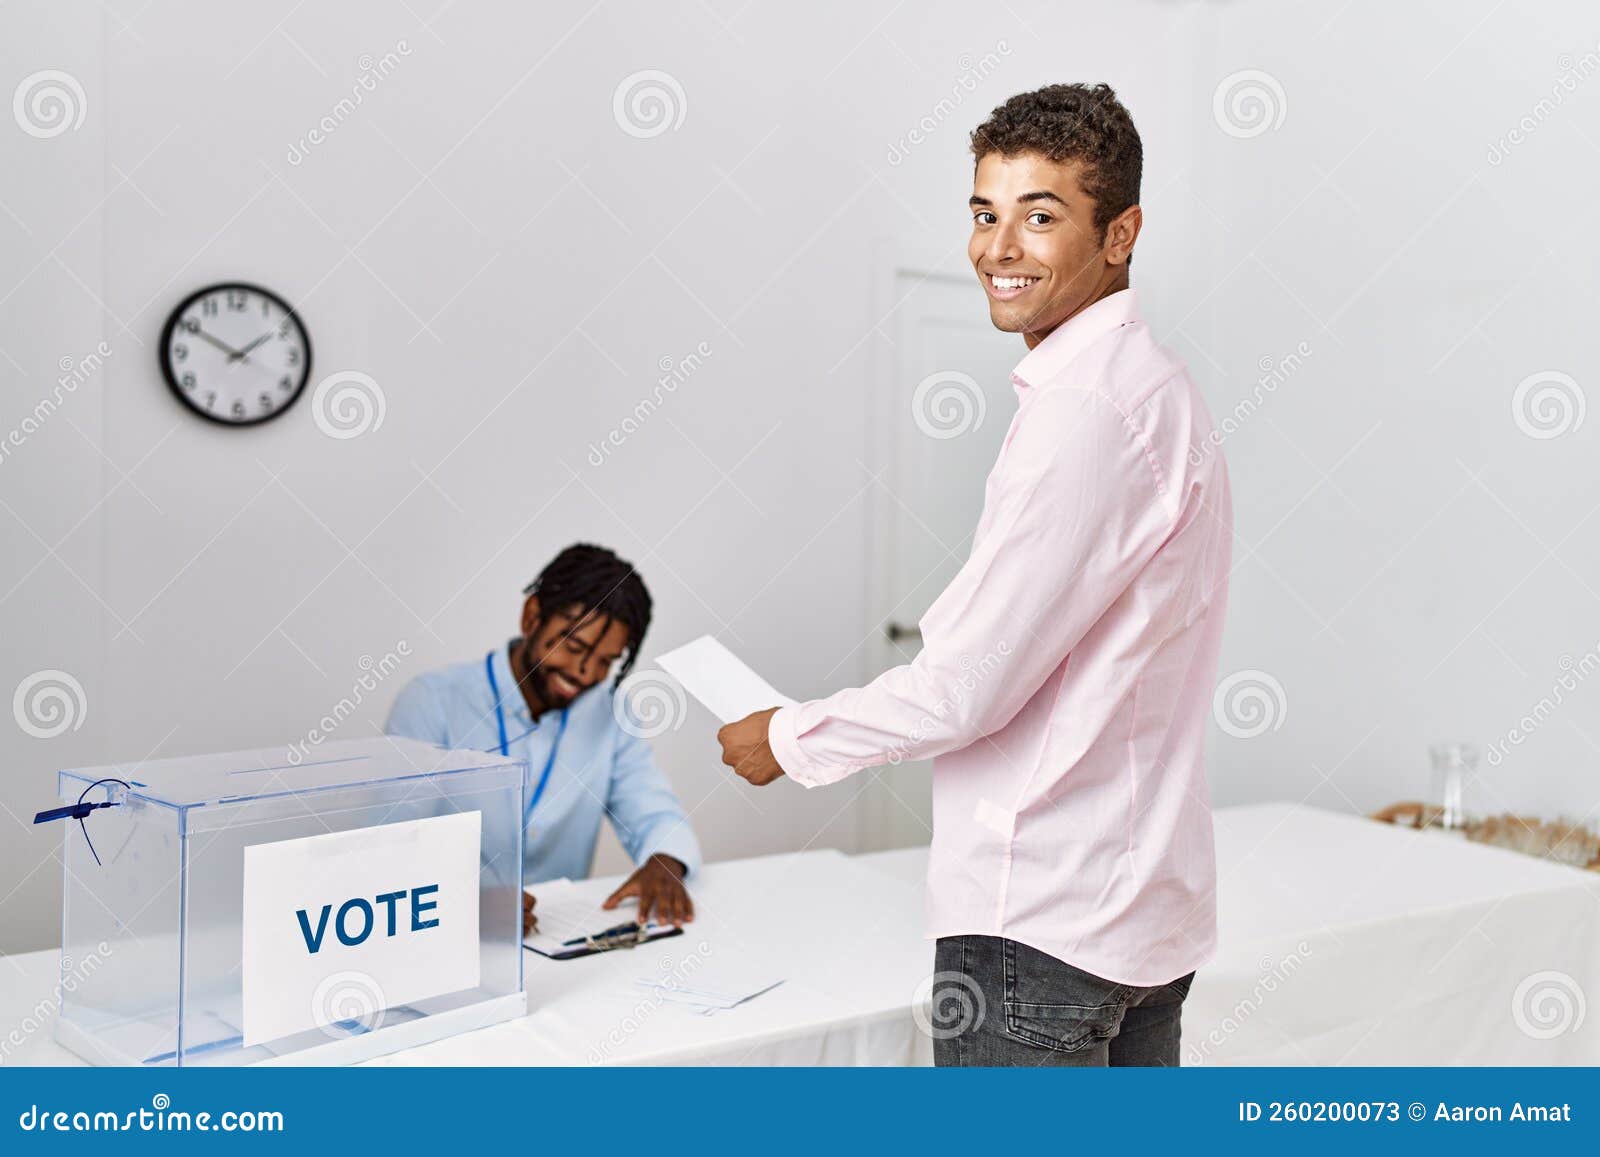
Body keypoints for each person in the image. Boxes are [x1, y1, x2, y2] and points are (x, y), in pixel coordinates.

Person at [715, 83, 1232, 1066]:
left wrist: (786, 737)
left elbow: (966, 687)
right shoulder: (1160, 389)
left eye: (1039, 216)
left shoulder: (1084, 412)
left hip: (1042, 923)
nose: (998, 248)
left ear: (1120, 233)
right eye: (984, 214)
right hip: (1141, 920)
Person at [388, 543, 700, 934]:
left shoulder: (610, 713)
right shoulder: (431, 701)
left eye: (605, 661)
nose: (584, 673)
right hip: (441, 933)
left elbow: (653, 812)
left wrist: (665, 862)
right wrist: (459, 902)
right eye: (574, 647)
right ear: (531, 616)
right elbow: (389, 845)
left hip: (555, 939)